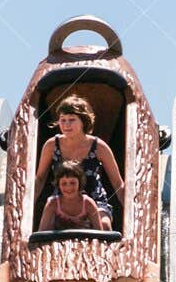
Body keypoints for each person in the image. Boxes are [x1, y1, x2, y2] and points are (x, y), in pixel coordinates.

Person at [36, 95, 125, 228]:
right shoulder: (51, 145)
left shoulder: (98, 146)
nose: (66, 125)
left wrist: (131, 211)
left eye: (71, 120)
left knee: (104, 224)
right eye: (63, 120)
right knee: (48, 224)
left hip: (94, 200)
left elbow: (117, 182)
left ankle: (105, 248)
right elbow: (40, 178)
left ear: (83, 121)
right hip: (62, 199)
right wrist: (27, 206)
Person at [38, 163, 106, 232]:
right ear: (58, 184)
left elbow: (100, 232)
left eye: (72, 183)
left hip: (84, 240)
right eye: (64, 183)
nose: (68, 187)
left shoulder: (88, 204)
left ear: (79, 183)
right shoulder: (52, 204)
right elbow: (42, 231)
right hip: (59, 240)